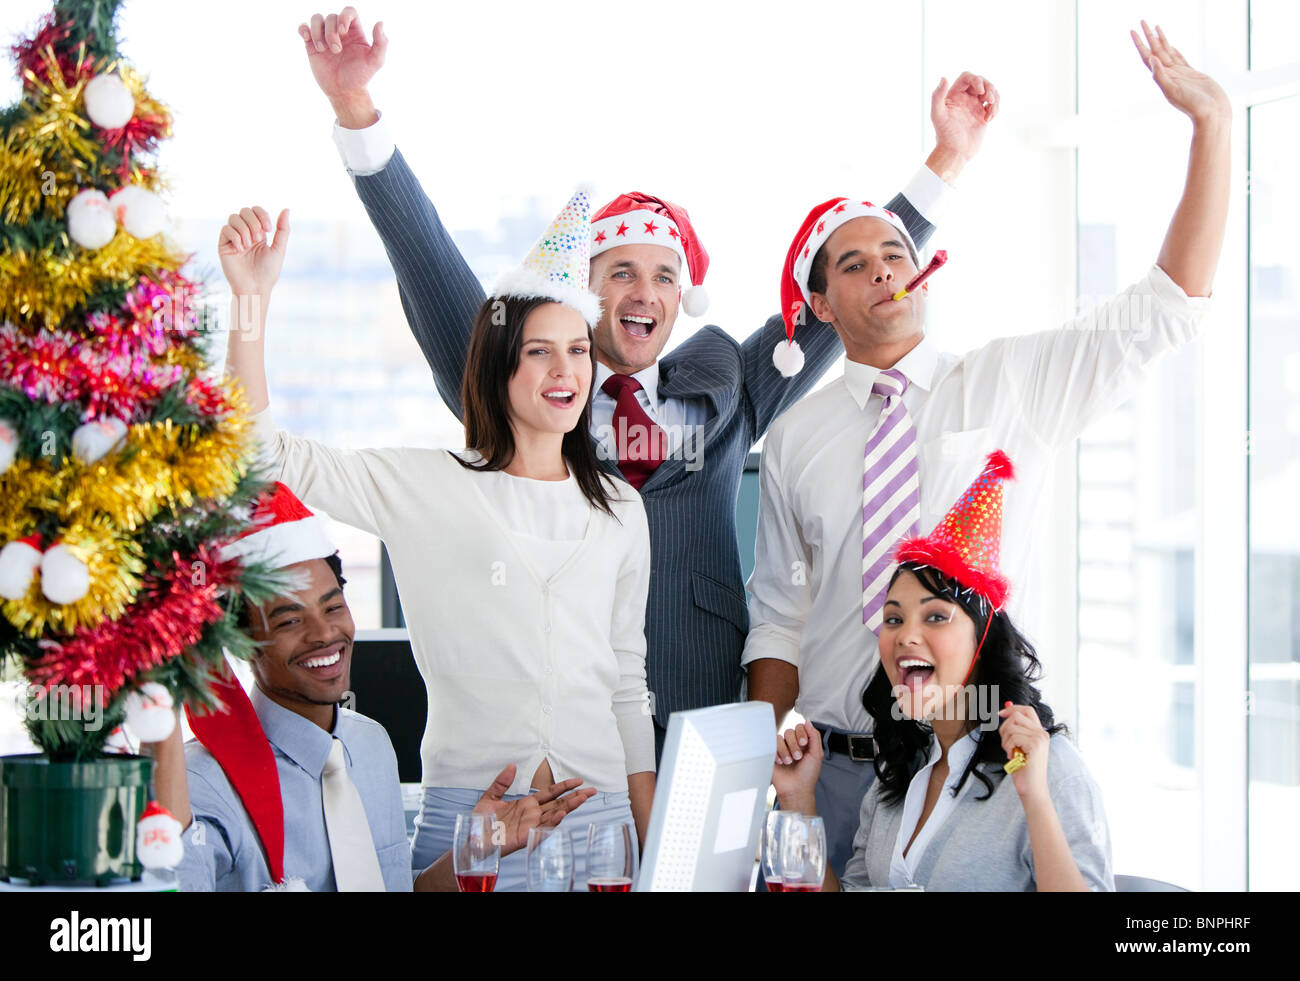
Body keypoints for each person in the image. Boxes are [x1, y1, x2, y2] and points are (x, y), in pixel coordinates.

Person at [295, 6, 998, 756]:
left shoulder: (725, 381)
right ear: (581, 291)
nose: (645, 292)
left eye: (665, 276)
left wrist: (945, 164)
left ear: (681, 297)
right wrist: (356, 113)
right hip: (563, 722)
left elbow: (846, 293)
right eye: (621, 272)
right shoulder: (526, 384)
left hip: (700, 712)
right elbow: (427, 258)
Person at [744, 21, 1230, 878]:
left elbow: (1169, 307)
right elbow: (780, 614)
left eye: (897, 250)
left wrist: (1213, 126)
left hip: (967, 764)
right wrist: (766, 773)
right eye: (854, 264)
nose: (886, 269)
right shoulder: (794, 437)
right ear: (819, 305)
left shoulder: (1009, 384)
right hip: (830, 768)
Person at [218, 186, 656, 891]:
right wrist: (248, 300)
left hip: (601, 830)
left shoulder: (621, 510)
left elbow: (628, 686)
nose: (565, 370)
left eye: (578, 349)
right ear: (497, 365)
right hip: (475, 826)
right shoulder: (425, 487)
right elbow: (261, 456)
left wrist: (651, 839)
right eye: (539, 351)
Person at [146, 482, 595, 891]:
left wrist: (478, 847)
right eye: (289, 620)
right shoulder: (203, 783)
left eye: (333, 607)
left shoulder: (370, 744)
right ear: (241, 642)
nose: (324, 634)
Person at [771, 451, 1114, 891]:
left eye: (935, 617)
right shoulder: (898, 771)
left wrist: (1036, 799)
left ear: (982, 639)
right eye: (893, 619)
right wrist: (796, 801)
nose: (905, 636)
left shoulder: (1051, 768)